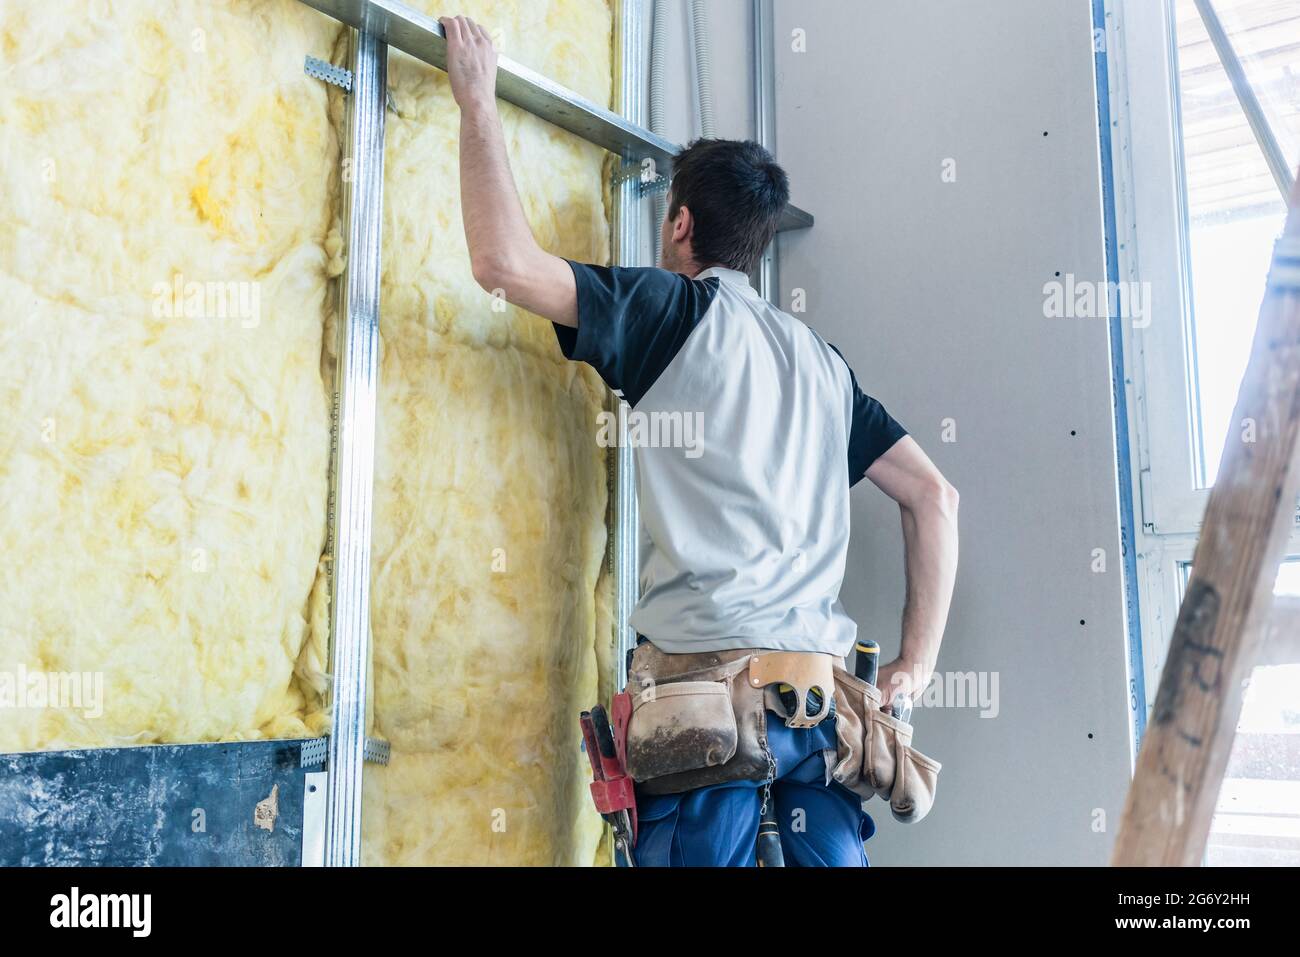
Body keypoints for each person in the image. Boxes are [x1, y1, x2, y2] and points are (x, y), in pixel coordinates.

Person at [440, 15, 959, 866]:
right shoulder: (824, 368)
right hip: (823, 720)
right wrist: (914, 668)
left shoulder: (674, 316)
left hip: (710, 721)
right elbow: (935, 497)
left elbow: (504, 263)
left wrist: (476, 102)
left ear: (679, 225)